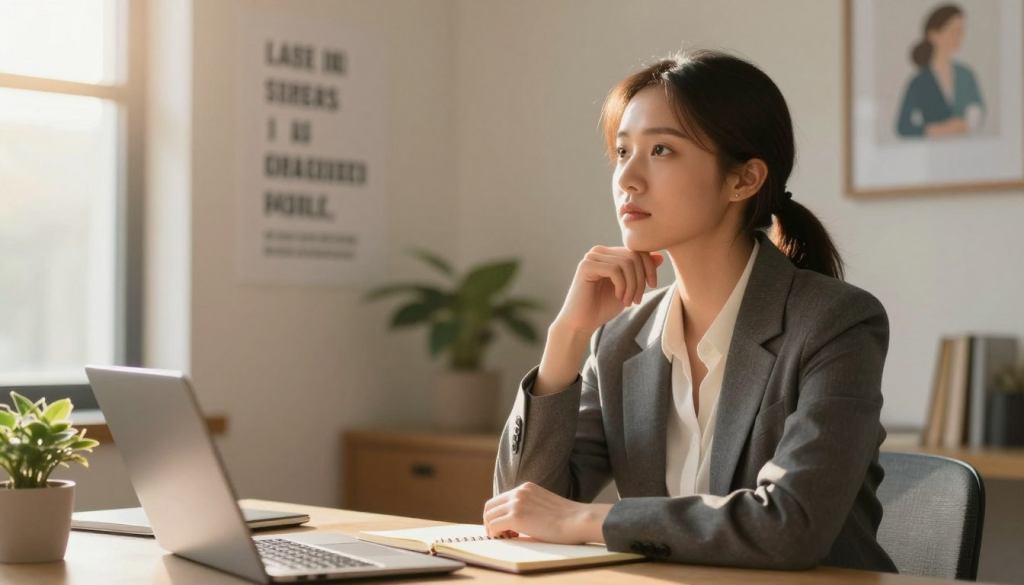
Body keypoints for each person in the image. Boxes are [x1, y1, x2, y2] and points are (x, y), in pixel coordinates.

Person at [485, 50, 897, 573]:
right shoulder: (620, 338)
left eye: (660, 150)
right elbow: (523, 507)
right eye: (621, 151)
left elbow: (789, 527)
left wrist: (590, 522)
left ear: (743, 180)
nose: (627, 179)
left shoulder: (835, 322)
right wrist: (566, 336)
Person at [896, 4, 984, 138]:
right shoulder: (919, 82)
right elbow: (903, 126)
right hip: (932, 151)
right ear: (933, 35)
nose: (958, 37)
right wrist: (940, 129)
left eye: (961, 31)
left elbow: (979, 110)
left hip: (967, 149)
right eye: (953, 31)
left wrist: (968, 124)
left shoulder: (966, 75)